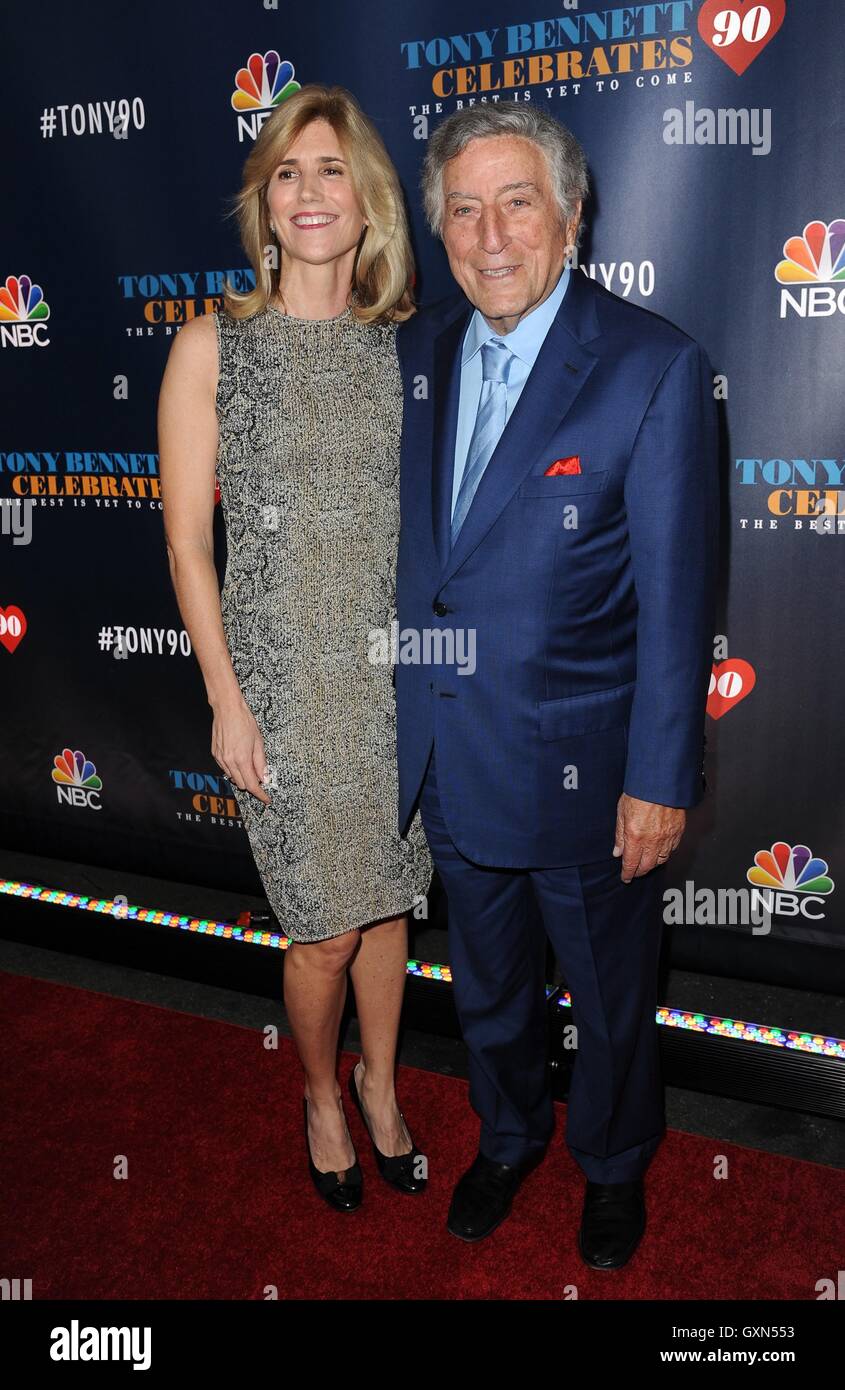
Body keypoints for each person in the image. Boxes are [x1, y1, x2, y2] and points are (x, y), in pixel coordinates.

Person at [395, 104, 718, 1268]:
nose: (489, 234)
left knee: (608, 996)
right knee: (487, 991)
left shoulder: (651, 366)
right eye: (464, 208)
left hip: (590, 778)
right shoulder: (415, 354)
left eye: (515, 201)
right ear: (438, 226)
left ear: (570, 217)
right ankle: (508, 1134)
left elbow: (678, 601)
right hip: (450, 761)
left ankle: (616, 1162)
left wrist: (656, 780)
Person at [158, 84, 432, 1214]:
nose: (308, 193)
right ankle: (320, 1094)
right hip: (280, 681)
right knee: (321, 927)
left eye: (330, 171)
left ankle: (380, 1083)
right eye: (285, 173)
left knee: (387, 909)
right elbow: (185, 543)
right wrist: (227, 699)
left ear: (367, 204)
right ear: (263, 206)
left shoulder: (405, 349)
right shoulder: (210, 345)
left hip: (389, 682)